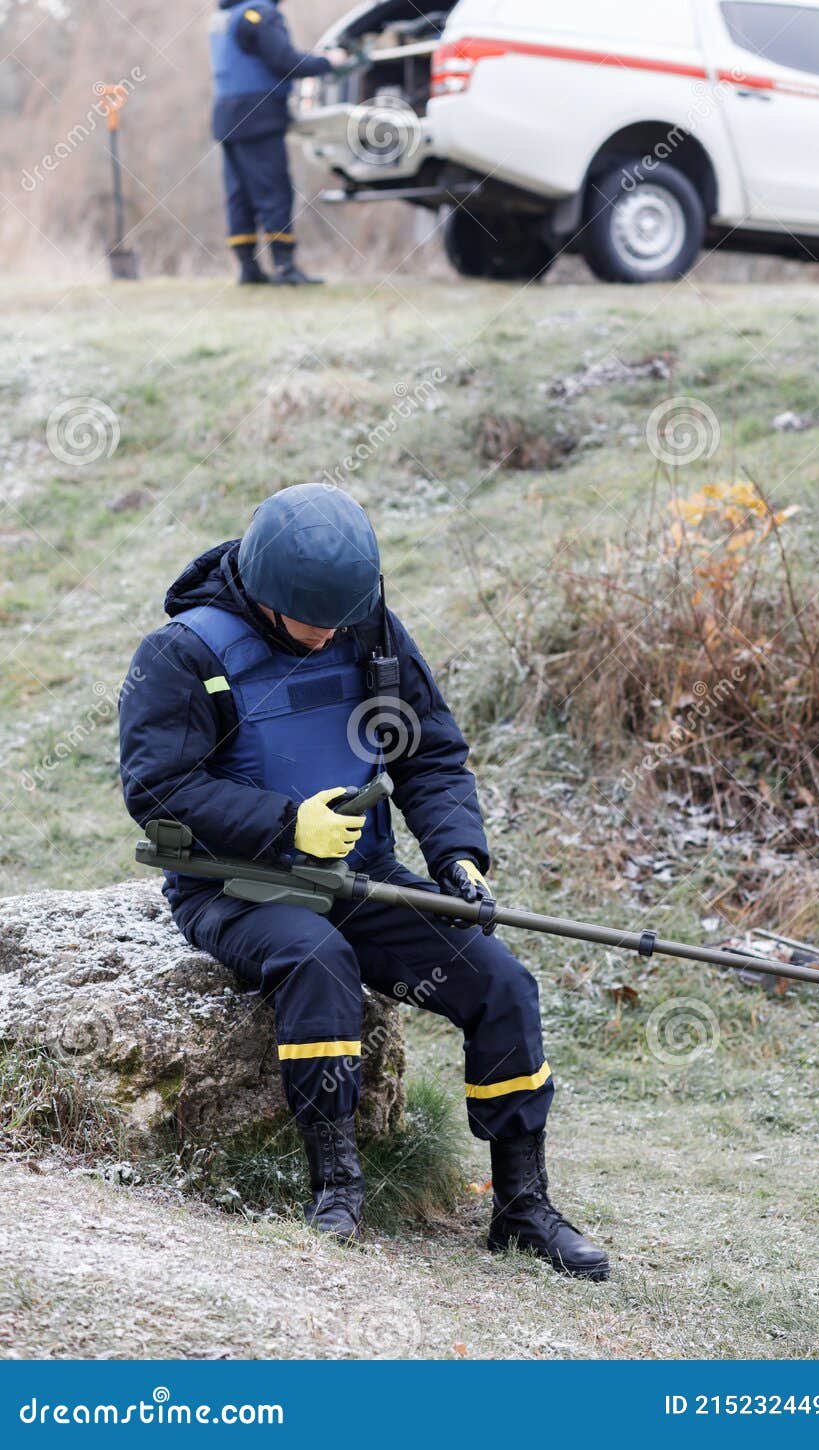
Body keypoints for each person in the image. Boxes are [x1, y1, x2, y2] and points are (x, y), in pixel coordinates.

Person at [118, 482, 608, 1279]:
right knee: (318, 962)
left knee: (502, 983)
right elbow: (157, 789)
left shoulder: (368, 632)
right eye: (311, 624)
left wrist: (458, 856)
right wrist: (285, 824)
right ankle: (338, 1187)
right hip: (235, 885)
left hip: (365, 875)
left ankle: (521, 1207)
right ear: (266, 594)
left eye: (339, 621)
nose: (326, 638)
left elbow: (430, 754)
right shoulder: (183, 654)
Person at [210, 0, 348, 286]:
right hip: (257, 115)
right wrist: (329, 62)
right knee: (274, 190)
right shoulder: (262, 13)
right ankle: (286, 268)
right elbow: (284, 61)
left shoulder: (226, 15)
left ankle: (248, 269)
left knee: (240, 193)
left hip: (227, 115)